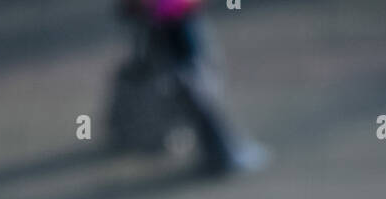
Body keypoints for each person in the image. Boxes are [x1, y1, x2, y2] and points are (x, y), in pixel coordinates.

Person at [112, 0, 270, 175]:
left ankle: (220, 150)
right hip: (171, 22)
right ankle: (222, 151)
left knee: (195, 82)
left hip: (175, 17)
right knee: (196, 84)